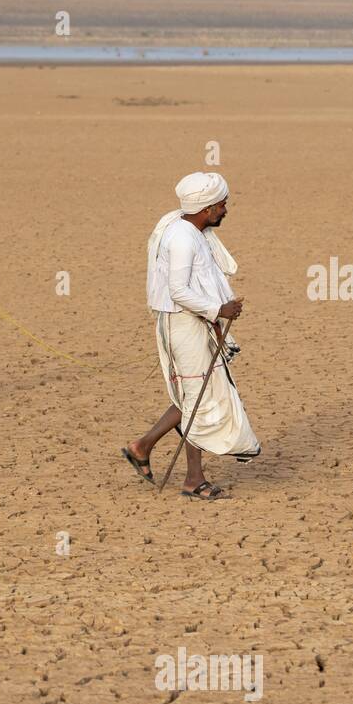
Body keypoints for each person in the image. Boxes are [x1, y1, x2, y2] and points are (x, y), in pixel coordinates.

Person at [123, 171, 260, 500]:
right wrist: (218, 311)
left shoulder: (188, 227)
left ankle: (144, 447)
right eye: (221, 205)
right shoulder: (182, 238)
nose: (225, 211)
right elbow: (179, 291)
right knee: (197, 398)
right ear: (206, 209)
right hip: (183, 324)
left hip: (191, 322)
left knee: (194, 396)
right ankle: (192, 480)